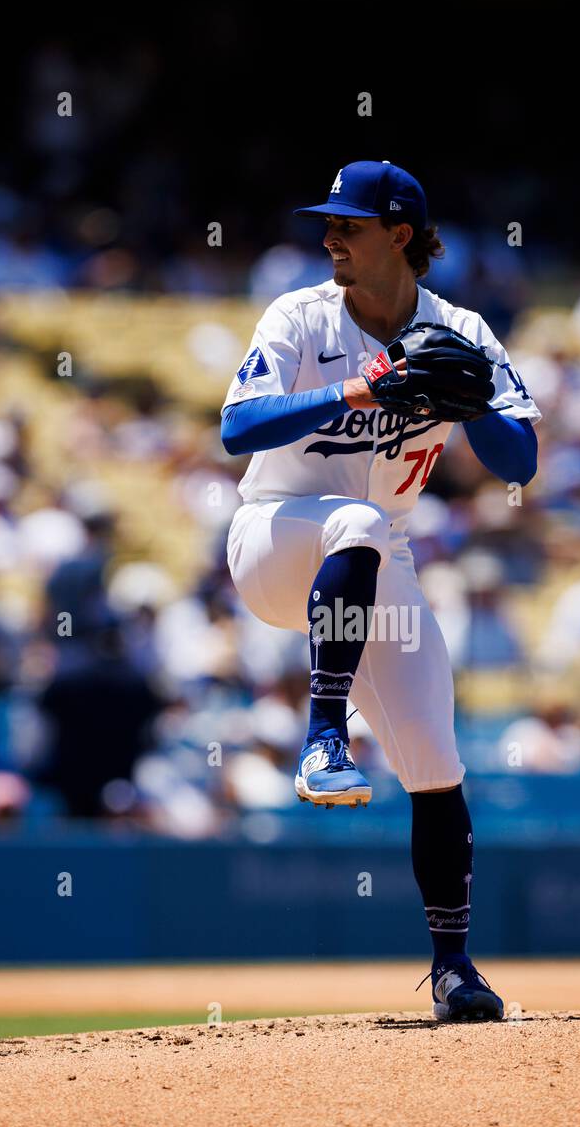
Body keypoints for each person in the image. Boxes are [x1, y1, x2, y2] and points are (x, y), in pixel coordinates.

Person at [222, 161, 540, 1021]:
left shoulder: (461, 329)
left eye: (348, 225)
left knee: (435, 762)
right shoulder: (299, 315)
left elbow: (520, 464)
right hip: (275, 536)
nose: (329, 237)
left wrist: (472, 402)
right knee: (354, 524)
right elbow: (236, 427)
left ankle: (453, 970)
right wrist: (358, 387)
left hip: (373, 560)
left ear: (399, 233)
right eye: (327, 224)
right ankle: (324, 738)